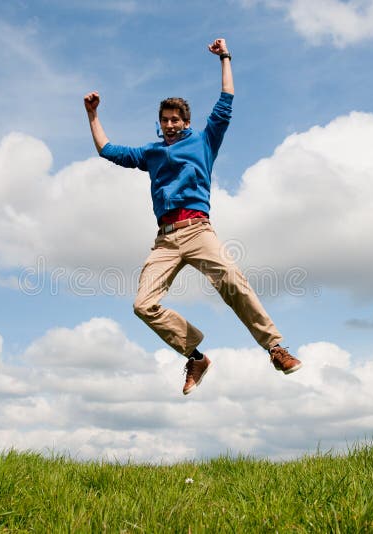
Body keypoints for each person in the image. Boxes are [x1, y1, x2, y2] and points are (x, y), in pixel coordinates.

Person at [83, 38, 301, 395]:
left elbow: (226, 101)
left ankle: (275, 348)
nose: (169, 124)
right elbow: (108, 150)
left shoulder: (203, 141)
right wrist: (92, 114)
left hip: (198, 230)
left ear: (186, 122)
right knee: (143, 305)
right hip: (165, 240)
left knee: (232, 281)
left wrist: (225, 58)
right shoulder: (151, 153)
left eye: (175, 120)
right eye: (164, 120)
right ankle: (196, 357)